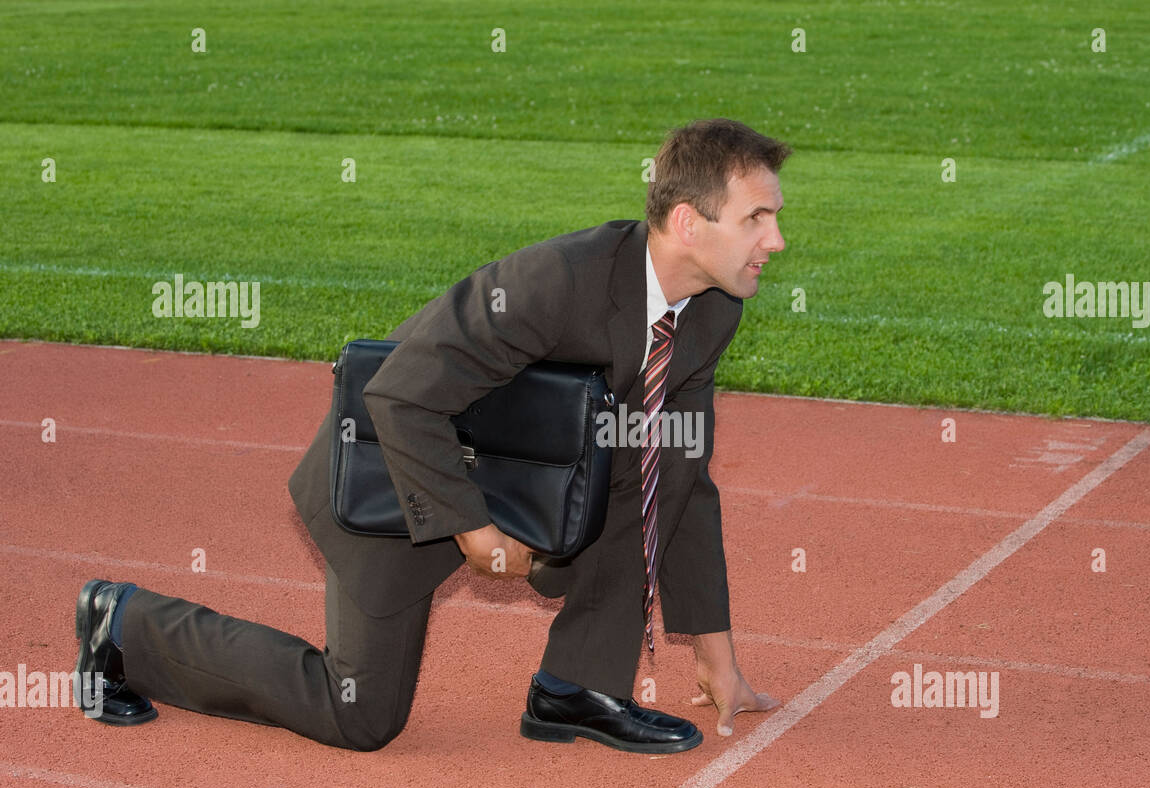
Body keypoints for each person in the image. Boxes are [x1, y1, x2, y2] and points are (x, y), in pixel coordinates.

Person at [74, 118, 786, 754]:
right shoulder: (555, 282)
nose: (775, 240)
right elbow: (399, 394)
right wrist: (473, 531)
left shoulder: (713, 308)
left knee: (645, 460)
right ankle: (124, 625)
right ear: (689, 222)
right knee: (358, 713)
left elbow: (680, 470)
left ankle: (577, 687)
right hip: (395, 467)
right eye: (757, 217)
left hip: (512, 472)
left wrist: (717, 654)